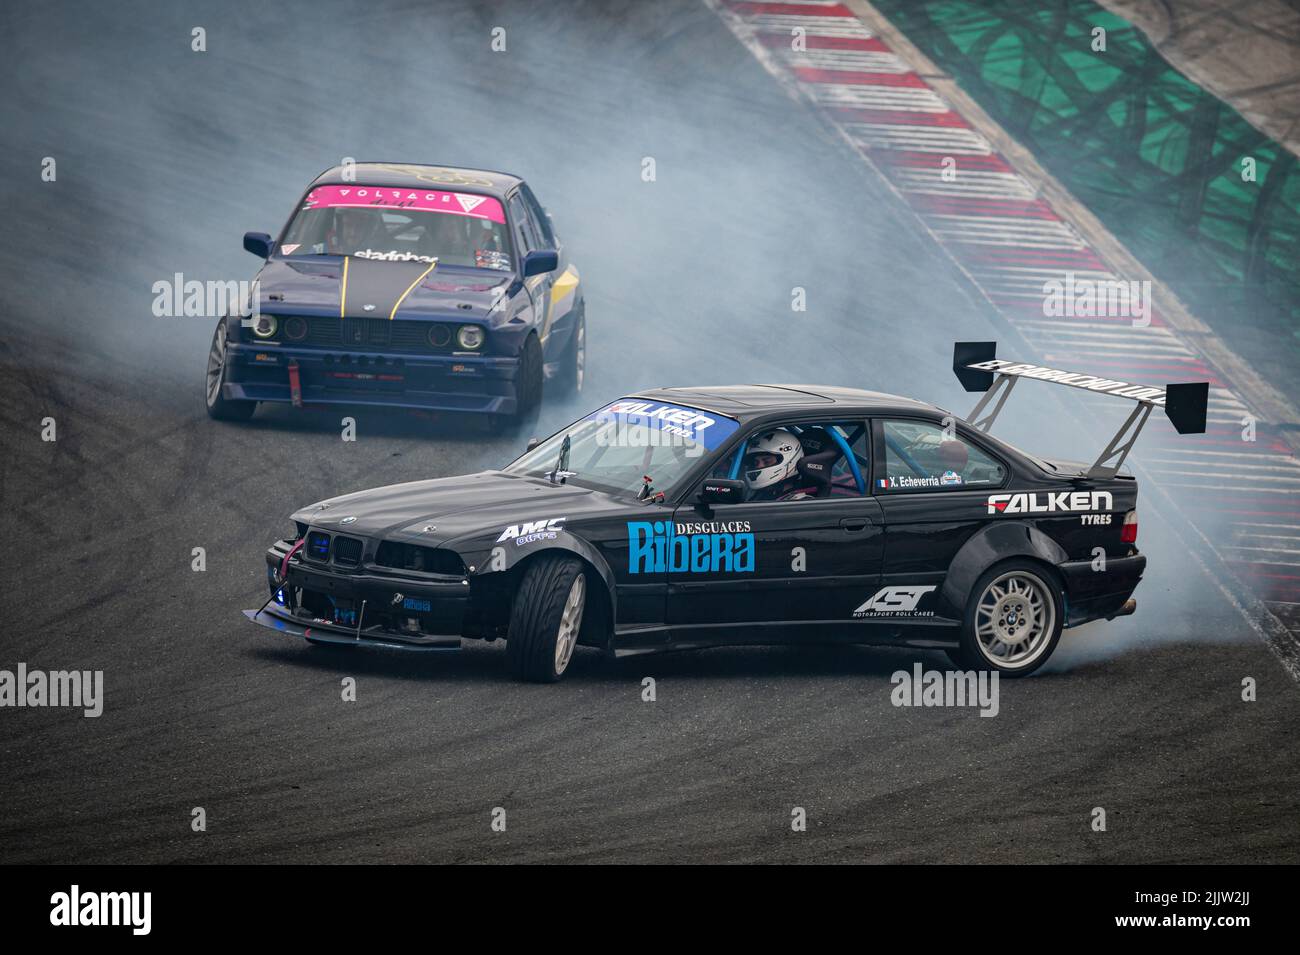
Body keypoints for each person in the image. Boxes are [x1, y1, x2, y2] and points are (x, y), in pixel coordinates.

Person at [742, 429, 805, 501]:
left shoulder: (799, 502)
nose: (759, 466)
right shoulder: (757, 494)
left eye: (767, 461)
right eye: (755, 463)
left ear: (791, 460)